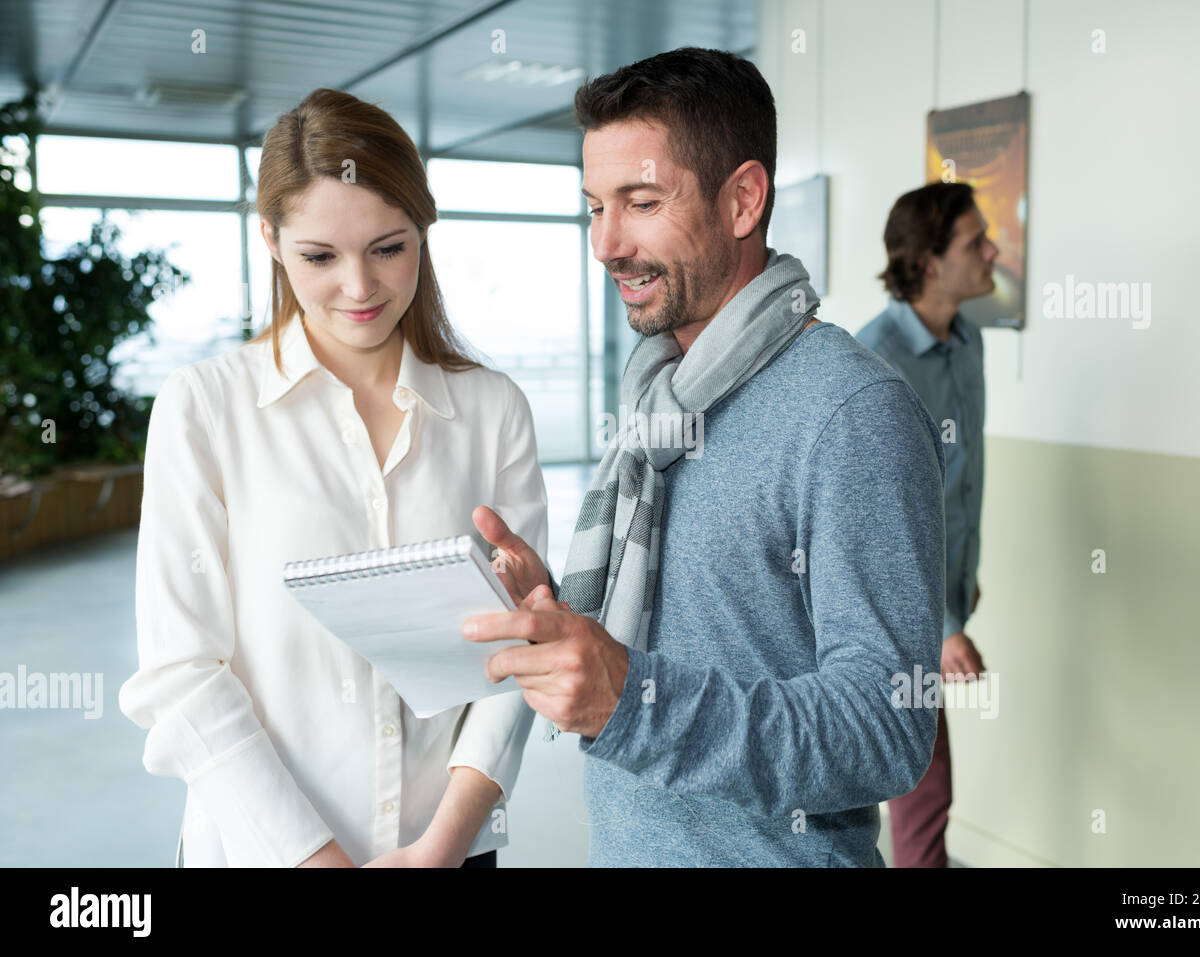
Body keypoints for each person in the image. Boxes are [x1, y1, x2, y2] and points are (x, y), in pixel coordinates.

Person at [467, 47, 947, 867]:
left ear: (743, 200)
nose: (606, 244)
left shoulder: (851, 412)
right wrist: (565, 621)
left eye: (642, 202)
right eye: (594, 207)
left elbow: (887, 725)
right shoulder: (659, 394)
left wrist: (635, 701)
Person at [119, 88, 548, 868]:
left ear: (425, 227)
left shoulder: (492, 410)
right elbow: (182, 673)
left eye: (389, 247)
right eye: (320, 256)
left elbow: (520, 645)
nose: (360, 288)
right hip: (261, 853)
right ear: (271, 241)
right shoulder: (205, 408)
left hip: (447, 848)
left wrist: (441, 848)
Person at [854, 181, 994, 867]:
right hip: (888, 615)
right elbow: (877, 515)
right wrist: (942, 626)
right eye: (977, 240)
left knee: (918, 788)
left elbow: (956, 480)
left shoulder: (968, 343)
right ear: (931, 262)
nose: (994, 250)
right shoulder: (874, 357)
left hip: (938, 606)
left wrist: (959, 585)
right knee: (922, 788)